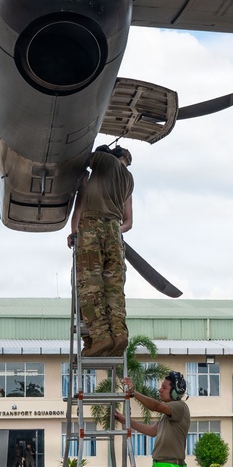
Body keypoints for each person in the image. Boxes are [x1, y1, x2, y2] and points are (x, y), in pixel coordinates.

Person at [67, 145, 133, 358]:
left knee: (89, 282)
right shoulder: (129, 179)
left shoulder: (105, 161)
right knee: (113, 287)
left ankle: (101, 335)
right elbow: (128, 219)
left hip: (93, 225)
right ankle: (119, 334)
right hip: (115, 229)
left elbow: (80, 158)